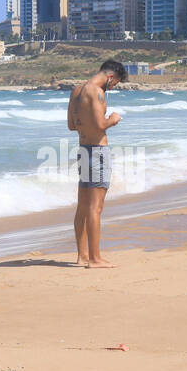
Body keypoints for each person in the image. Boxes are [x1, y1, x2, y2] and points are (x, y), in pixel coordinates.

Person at [67, 60, 127, 267]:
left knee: (82, 206)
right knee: (95, 208)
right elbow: (101, 124)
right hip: (98, 151)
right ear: (111, 77)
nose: (112, 88)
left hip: (83, 149)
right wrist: (114, 118)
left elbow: (71, 125)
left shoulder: (76, 90)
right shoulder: (97, 92)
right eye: (115, 84)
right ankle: (95, 258)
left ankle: (82, 255)